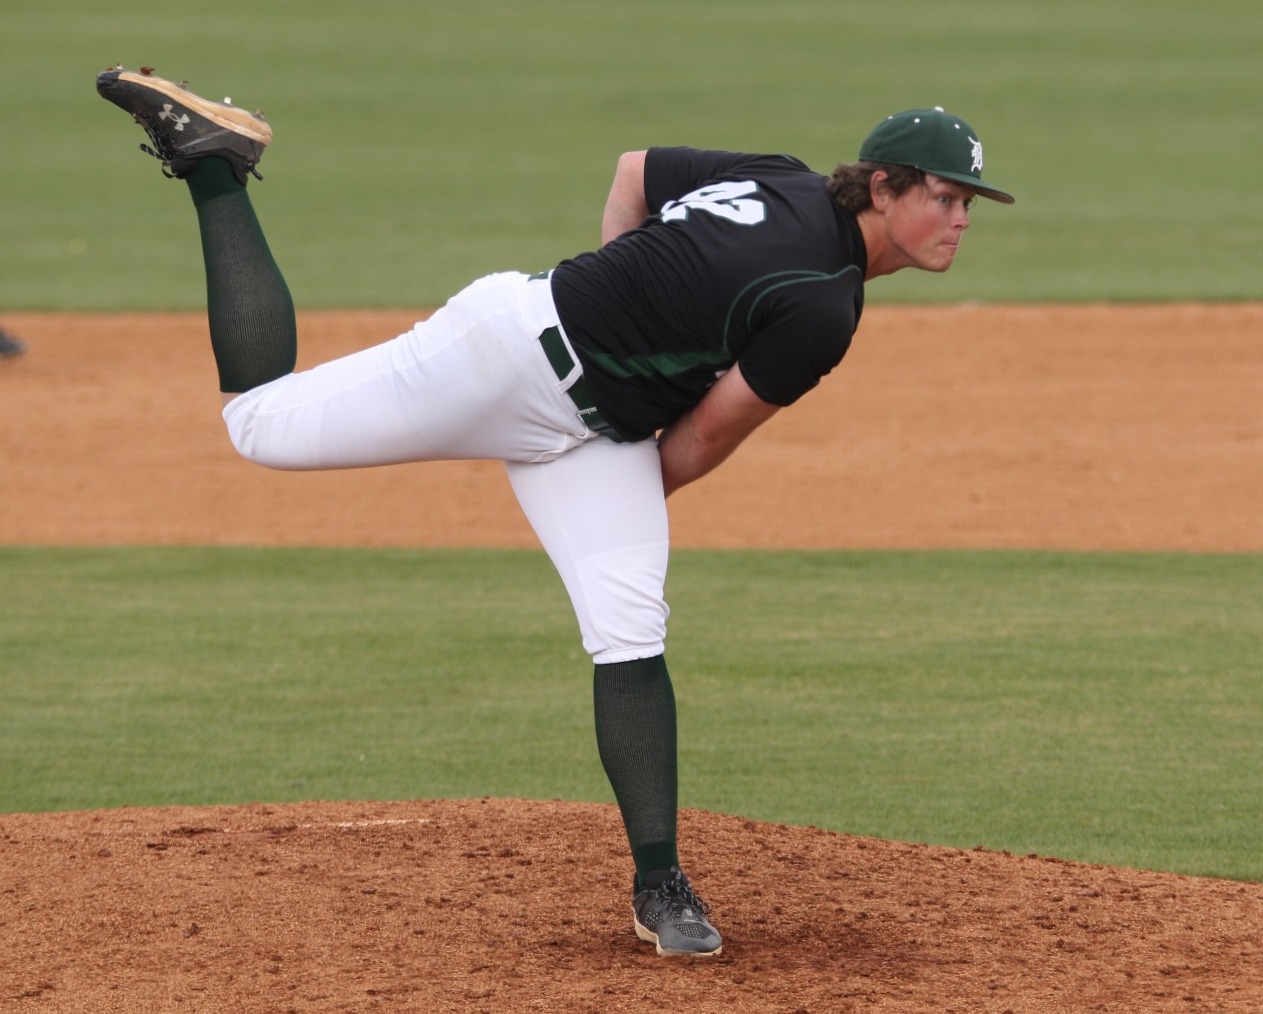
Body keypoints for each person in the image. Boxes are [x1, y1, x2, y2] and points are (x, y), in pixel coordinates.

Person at [96, 64, 1013, 958]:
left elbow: (633, 171)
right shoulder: (824, 307)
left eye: (970, 204)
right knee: (261, 425)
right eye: (945, 197)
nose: (961, 220)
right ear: (884, 188)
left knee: (629, 622)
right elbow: (699, 442)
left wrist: (624, 314)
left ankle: (662, 888)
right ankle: (213, 164)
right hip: (508, 360)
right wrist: (615, 386)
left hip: (590, 421)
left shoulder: (778, 174)